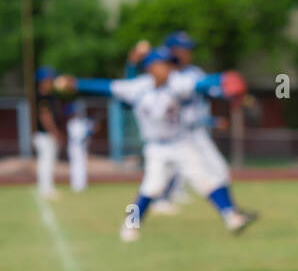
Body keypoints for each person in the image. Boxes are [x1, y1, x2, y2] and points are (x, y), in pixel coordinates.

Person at [55, 49, 255, 241]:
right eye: (164, 64)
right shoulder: (137, 87)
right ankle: (130, 224)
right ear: (151, 67)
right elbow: (105, 87)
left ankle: (231, 216)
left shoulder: (176, 83)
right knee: (151, 188)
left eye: (170, 65)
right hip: (155, 148)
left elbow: (200, 84)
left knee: (205, 179)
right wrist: (77, 84)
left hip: (180, 142)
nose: (169, 69)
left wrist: (222, 79)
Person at [34, 65, 65, 198]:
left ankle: (47, 188)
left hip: (47, 134)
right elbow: (45, 116)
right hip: (44, 135)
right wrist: (55, 132)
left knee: (48, 161)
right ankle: (46, 189)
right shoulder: (42, 97)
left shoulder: (50, 96)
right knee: (46, 162)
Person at [66, 103, 94, 193]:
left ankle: (82, 183)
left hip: (83, 147)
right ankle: (76, 184)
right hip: (75, 147)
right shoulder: (72, 123)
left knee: (82, 164)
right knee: (76, 165)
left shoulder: (85, 122)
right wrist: (86, 133)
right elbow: (77, 137)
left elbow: (91, 129)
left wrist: (90, 130)